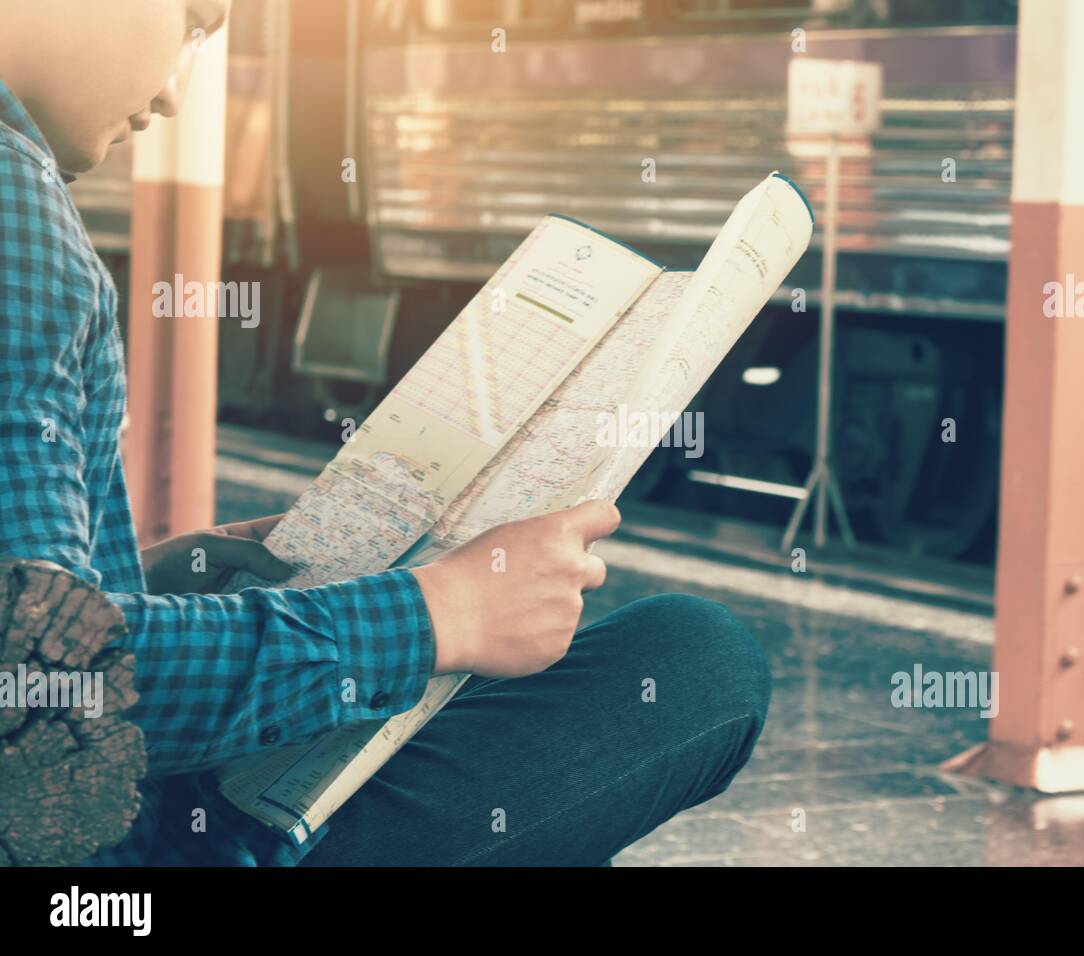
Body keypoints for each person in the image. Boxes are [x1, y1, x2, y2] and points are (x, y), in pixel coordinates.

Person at [0, 0, 770, 866]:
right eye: (193, 23)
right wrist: (440, 614)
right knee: (702, 663)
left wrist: (155, 582)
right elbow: (43, 693)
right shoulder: (16, 212)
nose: (179, 90)